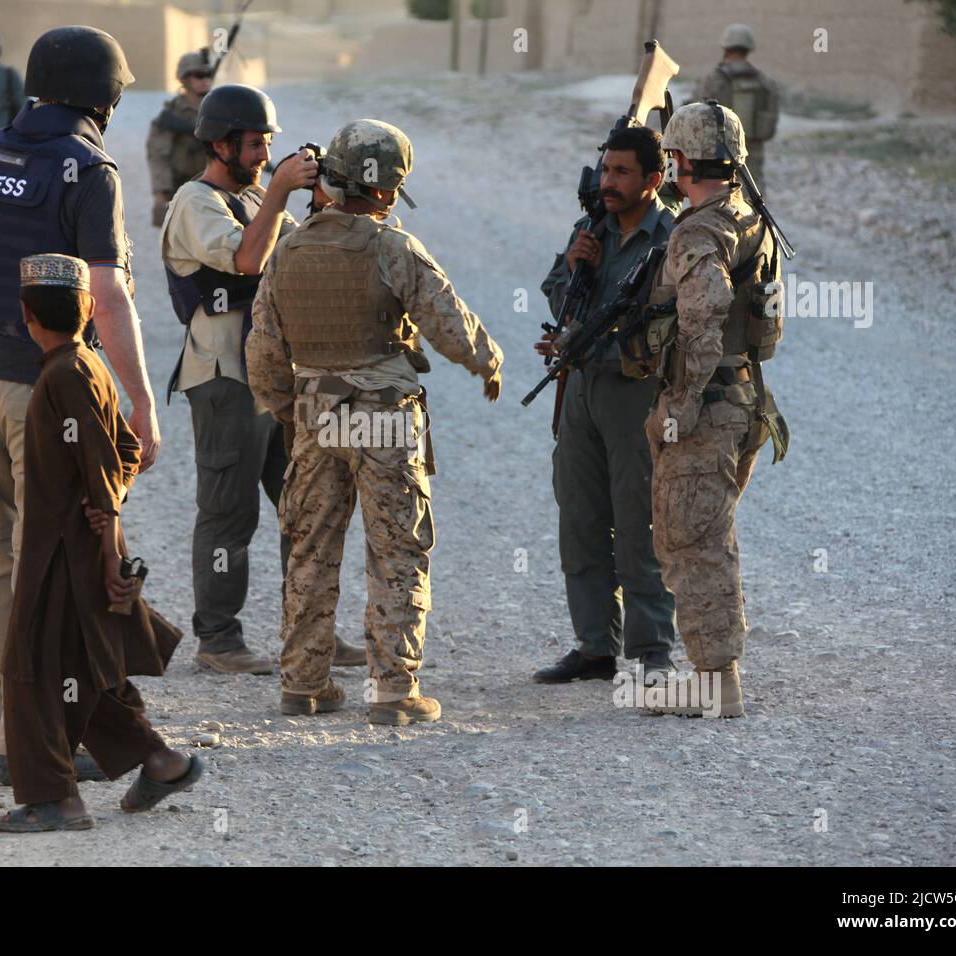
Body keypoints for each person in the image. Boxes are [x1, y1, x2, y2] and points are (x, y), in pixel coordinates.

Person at [0, 26, 159, 775]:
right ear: (107, 98)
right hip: (47, 392)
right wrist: (140, 403)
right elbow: (109, 295)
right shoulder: (89, 169)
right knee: (59, 561)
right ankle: (49, 741)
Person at [246, 120, 504, 724]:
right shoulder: (393, 247)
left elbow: (261, 351)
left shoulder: (287, 249)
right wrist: (487, 362)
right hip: (385, 421)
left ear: (332, 179)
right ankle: (393, 692)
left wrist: (289, 410)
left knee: (310, 549)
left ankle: (304, 684)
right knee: (396, 552)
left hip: (316, 417)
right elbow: (448, 323)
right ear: (388, 191)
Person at [0, 253, 199, 833]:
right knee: (79, 664)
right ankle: (162, 762)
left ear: (28, 315)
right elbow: (125, 456)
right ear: (86, 310)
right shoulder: (90, 364)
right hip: (80, 544)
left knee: (28, 665)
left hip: (64, 554)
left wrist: (108, 554)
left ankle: (56, 800)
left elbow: (103, 471)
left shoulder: (63, 375)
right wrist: (107, 512)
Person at [162, 84, 364, 675]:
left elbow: (296, 264)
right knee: (229, 513)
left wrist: (323, 201)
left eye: (269, 144)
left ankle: (311, 632)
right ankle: (218, 640)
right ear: (221, 144)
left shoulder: (256, 198)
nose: (265, 154)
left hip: (278, 377)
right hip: (225, 376)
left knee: (304, 505)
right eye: (256, 144)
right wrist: (277, 191)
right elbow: (249, 262)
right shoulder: (195, 203)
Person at [634, 101, 787, 717]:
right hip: (746, 395)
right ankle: (713, 669)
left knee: (694, 540)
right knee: (706, 533)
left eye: (671, 157)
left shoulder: (701, 232)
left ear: (683, 161)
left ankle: (715, 681)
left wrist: (681, 402)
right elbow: (767, 328)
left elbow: (703, 315)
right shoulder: (750, 217)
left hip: (709, 405)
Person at [531, 126, 677, 687]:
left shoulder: (670, 236)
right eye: (606, 170)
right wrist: (574, 265)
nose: (608, 182)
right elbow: (553, 289)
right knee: (580, 517)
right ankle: (595, 646)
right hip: (582, 386)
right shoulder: (591, 228)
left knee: (638, 521)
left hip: (635, 390)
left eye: (622, 173)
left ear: (653, 180)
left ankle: (650, 650)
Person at [691, 23, 778, 192]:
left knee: (717, 194)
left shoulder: (713, 78)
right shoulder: (762, 80)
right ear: (748, 48)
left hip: (717, 148)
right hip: (751, 146)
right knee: (752, 190)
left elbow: (694, 111)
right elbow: (770, 113)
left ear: (726, 46)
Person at [146, 49, 213, 227]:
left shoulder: (217, 110)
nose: (205, 80)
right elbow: (159, 156)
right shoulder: (172, 116)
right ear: (184, 79)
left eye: (209, 75)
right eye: (199, 75)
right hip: (183, 189)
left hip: (216, 188)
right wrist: (161, 195)